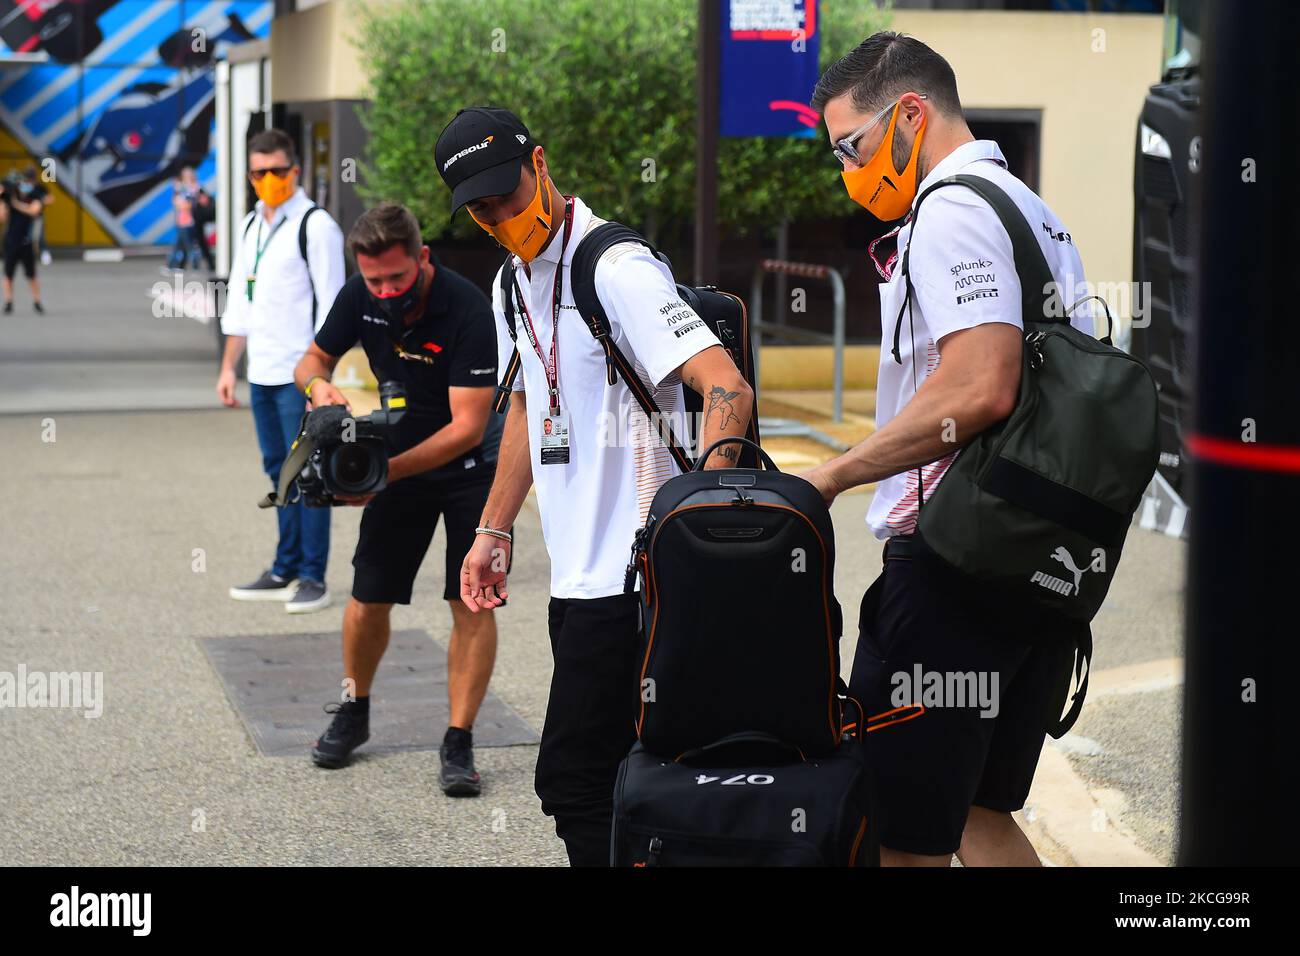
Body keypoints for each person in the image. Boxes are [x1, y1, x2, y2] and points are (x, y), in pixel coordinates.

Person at [801, 32, 1094, 867]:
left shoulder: (951, 208)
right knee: (978, 813)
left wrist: (832, 472)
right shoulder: (1032, 210)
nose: (848, 170)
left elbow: (979, 386)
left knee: (900, 835)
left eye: (851, 146)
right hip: (1033, 562)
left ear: (911, 115)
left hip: (951, 574)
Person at [437, 106, 755, 865]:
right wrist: (493, 529)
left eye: (507, 197)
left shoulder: (615, 268)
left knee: (572, 780)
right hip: (581, 580)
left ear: (539, 164)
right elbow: (527, 405)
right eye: (480, 211)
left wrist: (698, 527)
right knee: (633, 775)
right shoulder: (513, 283)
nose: (500, 219)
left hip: (644, 573)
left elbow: (727, 390)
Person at [292, 202, 504, 794]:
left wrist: (385, 475)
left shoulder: (467, 309)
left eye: (396, 278)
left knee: (471, 603)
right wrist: (319, 384)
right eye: (374, 279)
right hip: (397, 459)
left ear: (423, 258)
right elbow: (310, 358)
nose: (384, 291)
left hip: (469, 466)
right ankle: (354, 710)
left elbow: (467, 425)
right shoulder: (360, 294)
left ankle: (458, 740)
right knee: (368, 595)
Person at [218, 128, 345, 614]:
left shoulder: (315, 226)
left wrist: (320, 381)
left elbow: (333, 308)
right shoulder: (251, 225)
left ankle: (313, 576)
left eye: (277, 171)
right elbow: (240, 303)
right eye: (258, 172)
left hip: (300, 375)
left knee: (310, 471)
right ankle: (284, 566)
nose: (268, 180)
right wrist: (229, 367)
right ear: (250, 176)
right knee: (278, 470)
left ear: (294, 171)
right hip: (262, 372)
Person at [0, 167, 48, 314]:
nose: (26, 183)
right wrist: (4, 202)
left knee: (31, 275)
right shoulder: (10, 198)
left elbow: (34, 210)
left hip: (26, 242)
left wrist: (16, 204)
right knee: (8, 275)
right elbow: (2, 218)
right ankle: (8, 302)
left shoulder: (35, 195)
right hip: (11, 241)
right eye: (24, 180)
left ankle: (37, 301)